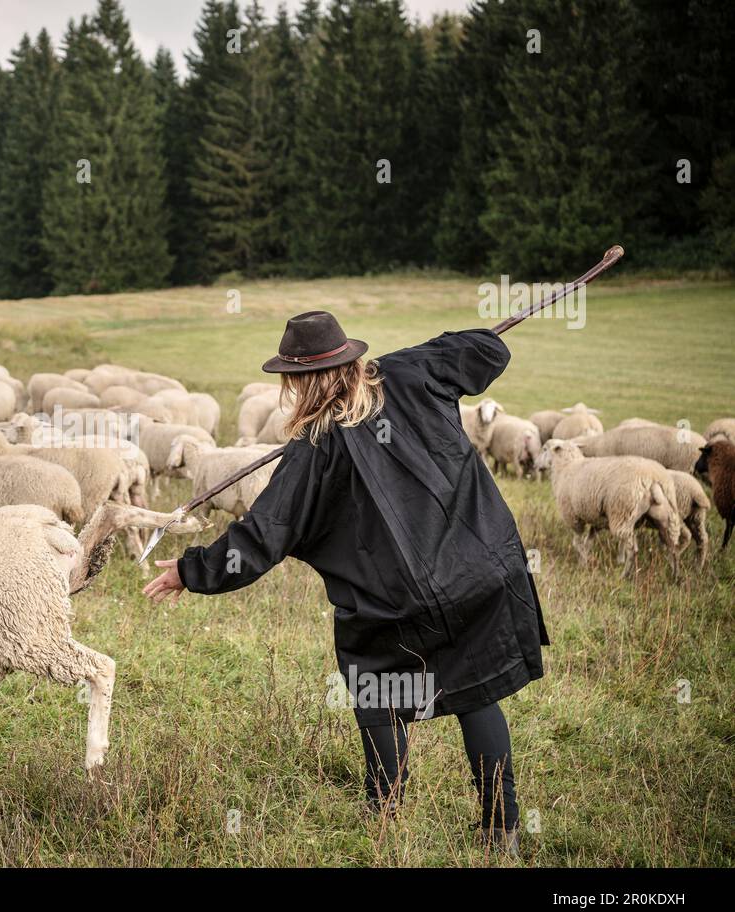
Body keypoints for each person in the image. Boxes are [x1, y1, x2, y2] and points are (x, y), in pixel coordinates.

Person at [142, 311, 547, 854]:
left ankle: (383, 810)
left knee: (377, 693)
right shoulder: (410, 374)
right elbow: (486, 352)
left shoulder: (313, 448)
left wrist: (191, 571)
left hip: (390, 603)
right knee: (477, 695)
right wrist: (427, 352)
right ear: (350, 358)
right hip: (475, 573)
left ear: (295, 381)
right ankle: (502, 833)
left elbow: (262, 536)